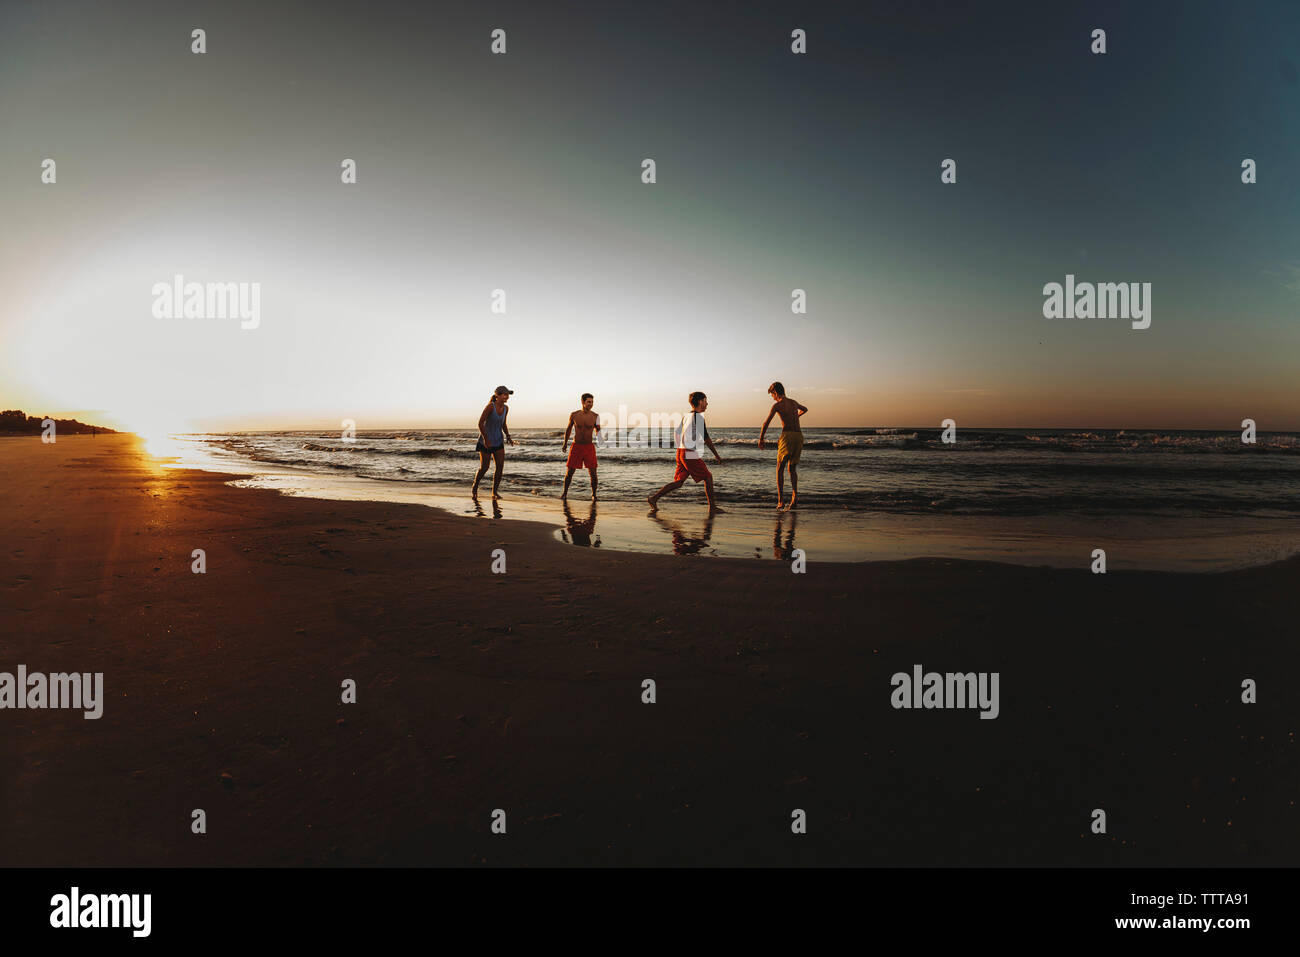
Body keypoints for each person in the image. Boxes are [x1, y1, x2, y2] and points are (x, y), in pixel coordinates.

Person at [647, 391, 723, 512]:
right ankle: (712, 507)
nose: (707, 404)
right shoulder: (698, 417)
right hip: (689, 453)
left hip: (681, 452)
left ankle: (654, 498)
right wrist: (717, 455)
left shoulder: (686, 417)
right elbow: (706, 438)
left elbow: (677, 433)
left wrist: (681, 446)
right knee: (708, 477)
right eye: (705, 401)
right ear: (700, 402)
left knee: (679, 482)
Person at [758, 381, 807, 510]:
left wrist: (761, 439)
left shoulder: (777, 405)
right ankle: (794, 497)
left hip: (787, 436)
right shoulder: (793, 402)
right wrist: (796, 416)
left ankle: (781, 501)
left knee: (780, 468)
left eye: (772, 395)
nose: (772, 398)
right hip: (799, 436)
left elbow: (766, 423)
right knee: (792, 469)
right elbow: (805, 409)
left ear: (775, 392)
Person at [472, 386, 514, 499]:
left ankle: (494, 492)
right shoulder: (490, 407)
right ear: (497, 395)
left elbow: (503, 424)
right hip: (485, 441)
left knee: (500, 467)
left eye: (508, 395)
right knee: (484, 467)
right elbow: (480, 423)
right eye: (505, 394)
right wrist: (486, 439)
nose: (507, 397)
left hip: (498, 441)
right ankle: (475, 485)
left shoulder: (506, 408)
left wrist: (508, 436)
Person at [561, 393, 600, 500]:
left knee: (593, 473)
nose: (590, 404)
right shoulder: (574, 415)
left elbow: (597, 429)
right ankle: (564, 493)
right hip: (576, 446)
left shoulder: (595, 416)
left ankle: (594, 495)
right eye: (588, 402)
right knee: (570, 472)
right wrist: (565, 443)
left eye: (592, 402)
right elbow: (568, 430)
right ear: (582, 402)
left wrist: (600, 437)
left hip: (589, 447)